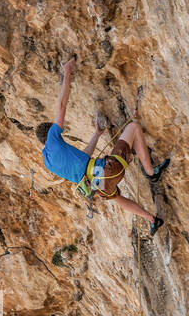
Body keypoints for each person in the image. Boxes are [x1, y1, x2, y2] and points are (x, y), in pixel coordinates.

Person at [36, 55, 170, 235]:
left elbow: (83, 158)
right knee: (133, 127)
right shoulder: (53, 135)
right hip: (108, 171)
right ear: (50, 131)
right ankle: (152, 173)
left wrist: (97, 134)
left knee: (117, 198)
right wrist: (67, 73)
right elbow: (61, 105)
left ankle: (152, 220)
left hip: (98, 187)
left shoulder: (48, 162)